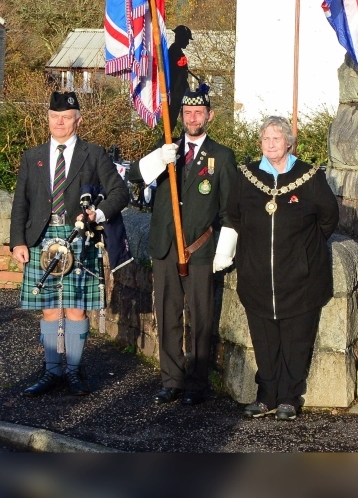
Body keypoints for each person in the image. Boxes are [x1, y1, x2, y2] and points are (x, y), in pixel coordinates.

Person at [11, 91, 129, 397]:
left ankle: (75, 372)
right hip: (41, 237)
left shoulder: (94, 154)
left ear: (78, 120)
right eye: (54, 117)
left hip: (79, 238)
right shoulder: (32, 156)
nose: (59, 123)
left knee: (77, 309)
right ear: (48, 118)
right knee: (49, 309)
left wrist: (97, 213)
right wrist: (17, 242)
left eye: (66, 118)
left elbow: (120, 192)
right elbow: (20, 204)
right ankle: (52, 372)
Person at [222, 116, 339, 420]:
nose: (271, 144)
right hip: (257, 274)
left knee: (296, 339)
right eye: (265, 139)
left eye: (277, 138)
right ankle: (266, 396)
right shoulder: (246, 176)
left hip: (300, 278)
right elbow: (234, 215)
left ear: (289, 142)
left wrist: (301, 251)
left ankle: (289, 396)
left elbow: (328, 218)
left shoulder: (310, 177)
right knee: (264, 340)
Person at [127, 83, 236, 406]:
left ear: (209, 115)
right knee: (168, 313)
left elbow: (231, 209)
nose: (192, 118)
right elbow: (135, 175)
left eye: (198, 112)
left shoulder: (222, 156)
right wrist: (161, 160)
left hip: (200, 249)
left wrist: (224, 248)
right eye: (187, 113)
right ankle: (171, 380)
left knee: (201, 318)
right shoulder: (167, 150)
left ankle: (196, 383)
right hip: (165, 247)